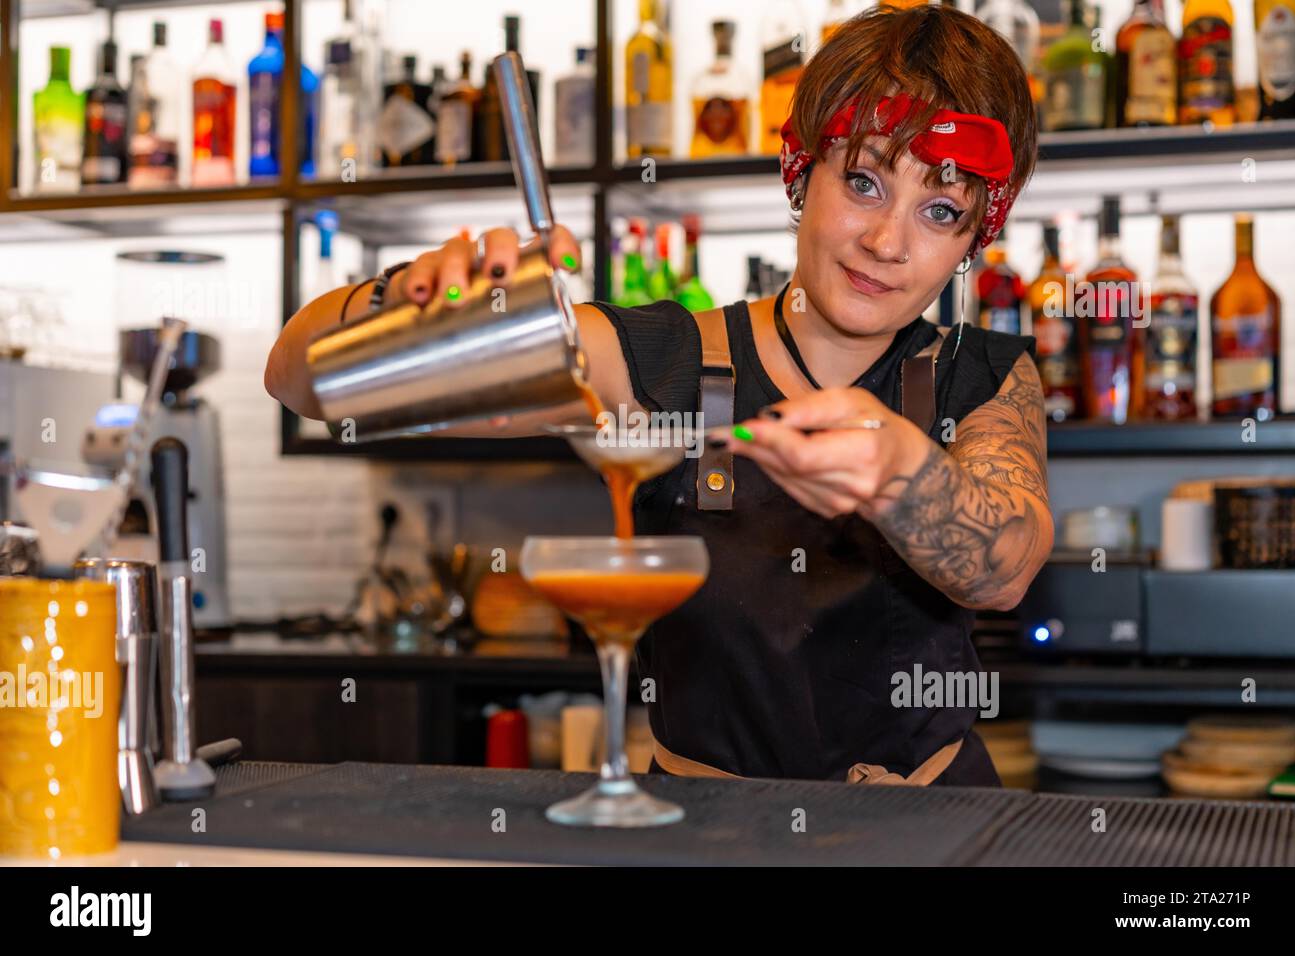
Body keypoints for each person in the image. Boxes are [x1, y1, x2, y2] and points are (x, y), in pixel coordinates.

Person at [266, 5, 1054, 786]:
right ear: (801, 170)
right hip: (702, 833)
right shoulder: (668, 360)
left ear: (972, 240)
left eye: (940, 211)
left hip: (925, 828)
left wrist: (898, 474)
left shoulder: (979, 373)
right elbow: (305, 381)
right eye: (863, 182)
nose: (888, 243)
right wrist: (411, 309)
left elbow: (1004, 566)